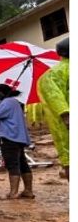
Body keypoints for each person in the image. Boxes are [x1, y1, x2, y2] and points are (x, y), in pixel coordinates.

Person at [0, 84, 34, 200]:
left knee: (12, 164)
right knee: (22, 163)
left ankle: (13, 193)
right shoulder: (13, 102)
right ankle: (28, 190)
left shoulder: (7, 102)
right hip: (17, 137)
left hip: (9, 137)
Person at [37, 37, 69, 179]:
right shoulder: (56, 73)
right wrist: (66, 116)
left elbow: (54, 96)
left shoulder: (51, 75)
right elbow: (55, 98)